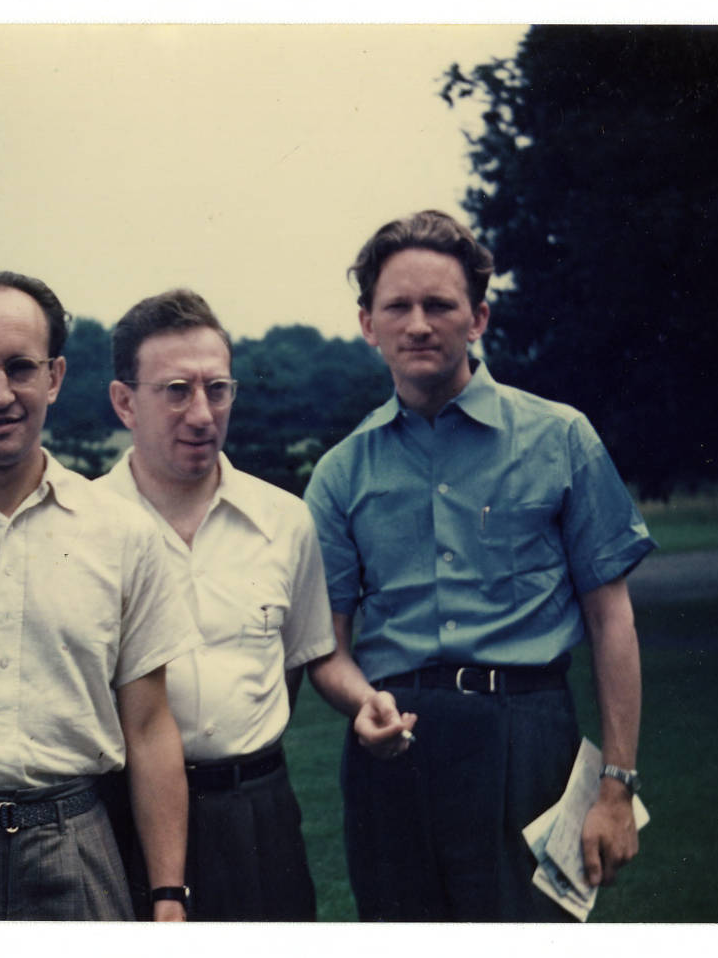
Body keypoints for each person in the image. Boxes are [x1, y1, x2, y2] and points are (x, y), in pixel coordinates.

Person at [304, 210, 655, 921]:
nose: (419, 324)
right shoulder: (341, 473)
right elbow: (327, 649)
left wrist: (616, 787)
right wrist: (358, 703)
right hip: (392, 750)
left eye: (440, 305)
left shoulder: (561, 438)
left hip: (526, 739)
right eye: (397, 307)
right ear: (368, 324)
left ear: (478, 317)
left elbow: (611, 618)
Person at [0, 268, 200, 921]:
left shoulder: (122, 535)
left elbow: (150, 727)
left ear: (56, 377)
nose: (1, 394)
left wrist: (168, 895)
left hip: (75, 853)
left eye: (21, 367)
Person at [98, 288, 381, 920]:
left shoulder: (284, 520)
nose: (201, 413)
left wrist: (362, 705)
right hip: (119, 812)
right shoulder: (81, 529)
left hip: (257, 813)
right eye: (176, 389)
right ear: (125, 402)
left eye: (217, 389)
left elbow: (306, 661)